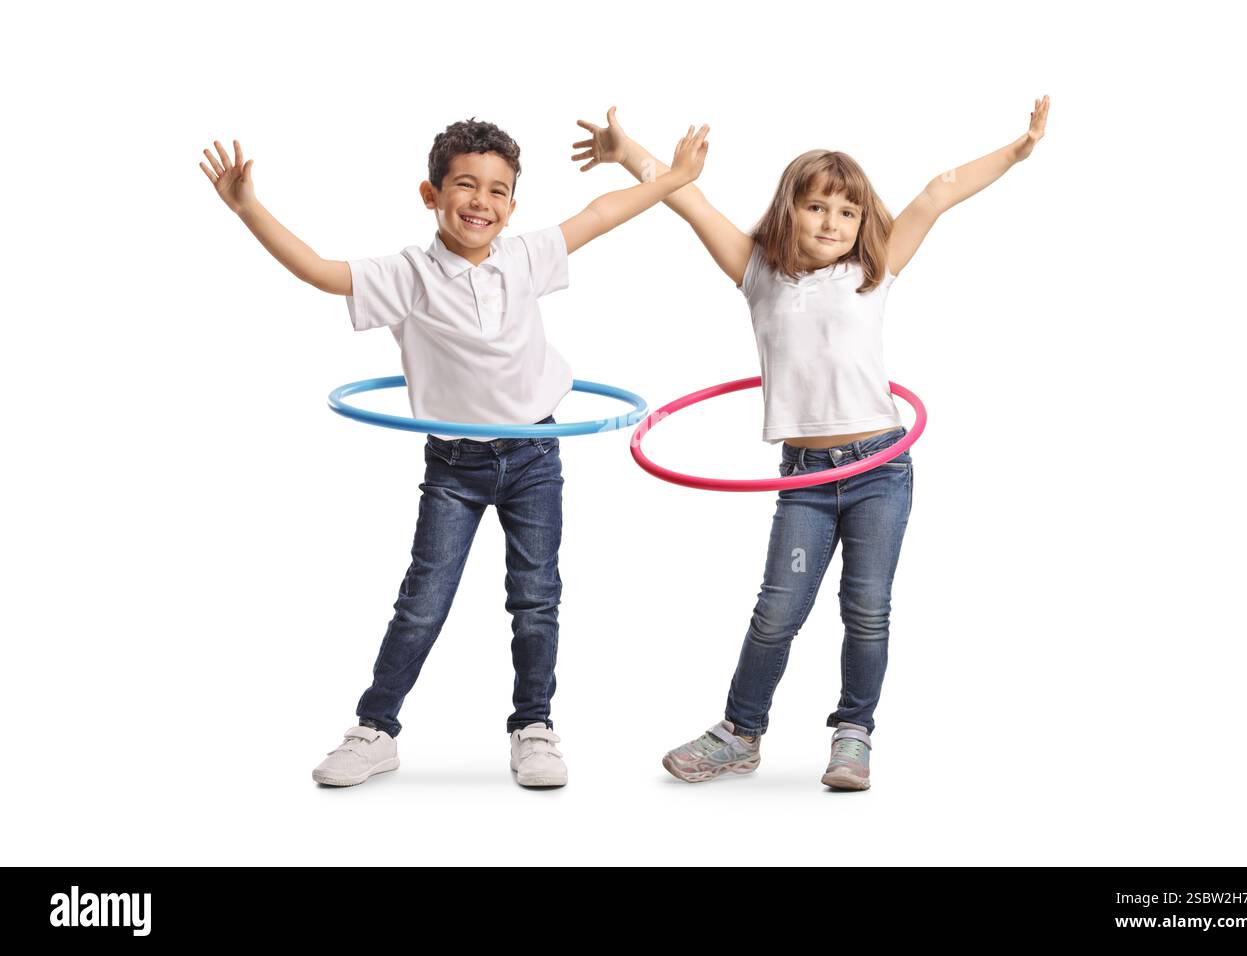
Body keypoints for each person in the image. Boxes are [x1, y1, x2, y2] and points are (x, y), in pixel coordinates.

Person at [200, 116, 710, 788]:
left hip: (534, 456)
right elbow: (322, 272)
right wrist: (248, 208)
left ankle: (534, 726)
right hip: (455, 466)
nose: (481, 202)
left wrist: (671, 178)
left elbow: (601, 213)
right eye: (465, 185)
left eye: (498, 191)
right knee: (423, 599)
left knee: (536, 598)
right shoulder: (407, 275)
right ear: (430, 194)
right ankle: (375, 729)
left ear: (512, 206)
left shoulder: (526, 256)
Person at [572, 97, 1050, 789]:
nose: (833, 222)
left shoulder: (873, 271)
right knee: (777, 611)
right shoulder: (755, 272)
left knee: (867, 608)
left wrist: (1017, 149)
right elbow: (689, 200)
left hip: (880, 469)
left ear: (864, 223)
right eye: (818, 206)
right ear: (789, 210)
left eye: (847, 211)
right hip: (803, 479)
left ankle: (853, 736)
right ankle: (740, 733)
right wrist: (631, 153)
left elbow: (938, 192)